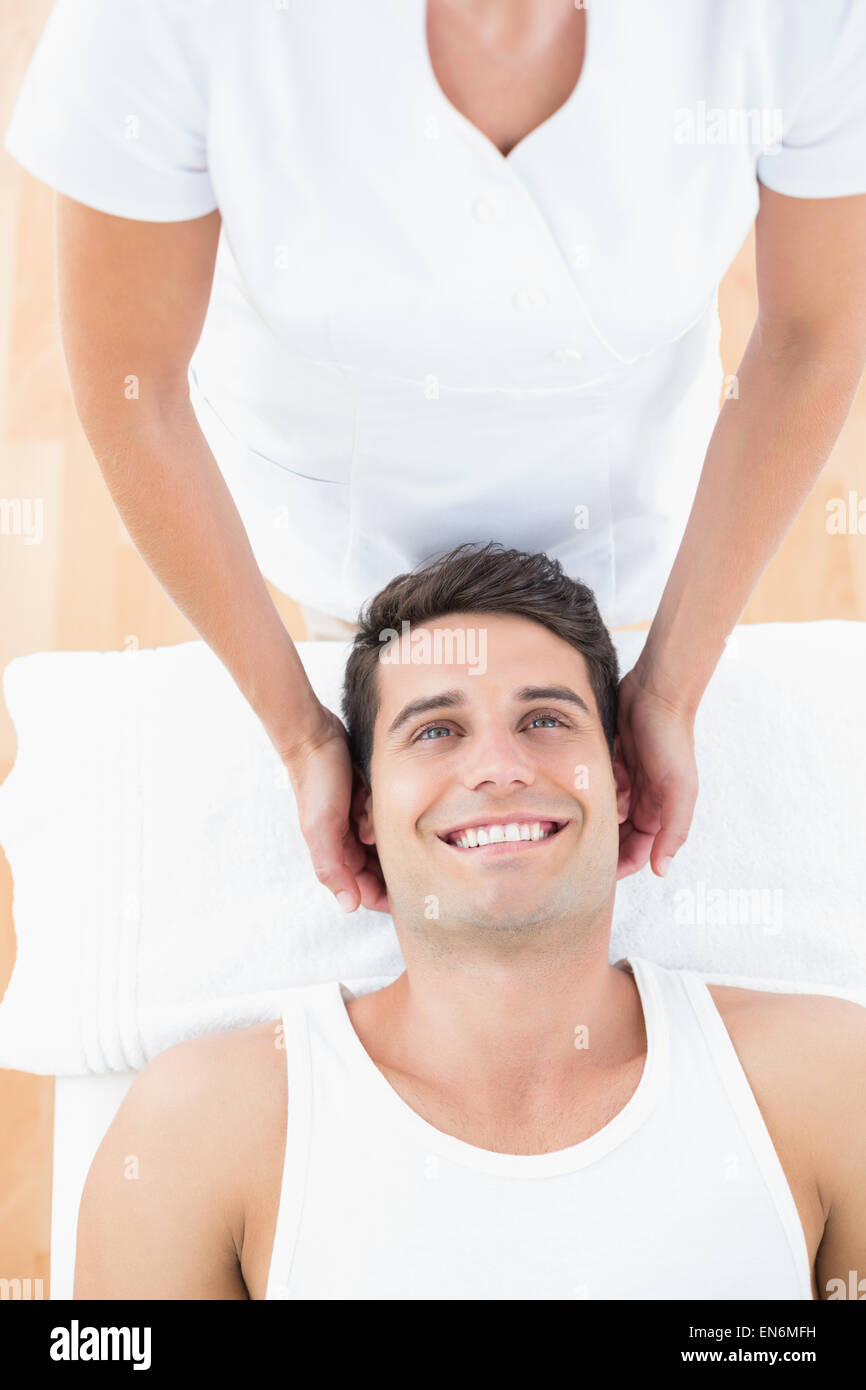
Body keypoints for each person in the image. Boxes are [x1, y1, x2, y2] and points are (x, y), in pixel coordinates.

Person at [5, 0, 866, 908]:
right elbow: (133, 388)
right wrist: (300, 732)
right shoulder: (160, 22)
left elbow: (811, 341)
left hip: (634, 503)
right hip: (347, 516)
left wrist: (674, 686)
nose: (499, 771)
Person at [73, 543, 865, 1300]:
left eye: (546, 721)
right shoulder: (199, 1128)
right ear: (364, 810)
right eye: (436, 731)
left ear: (623, 783)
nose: (499, 767)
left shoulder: (825, 1079)